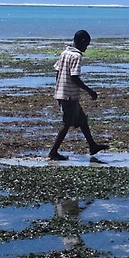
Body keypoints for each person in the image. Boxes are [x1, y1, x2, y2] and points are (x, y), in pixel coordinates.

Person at [48, 30, 109, 161]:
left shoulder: (64, 53)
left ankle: (92, 145)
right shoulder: (76, 56)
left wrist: (58, 89)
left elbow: (57, 72)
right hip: (70, 95)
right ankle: (53, 152)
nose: (86, 47)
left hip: (62, 93)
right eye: (86, 44)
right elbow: (75, 77)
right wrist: (89, 91)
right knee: (67, 123)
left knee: (82, 120)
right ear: (82, 42)